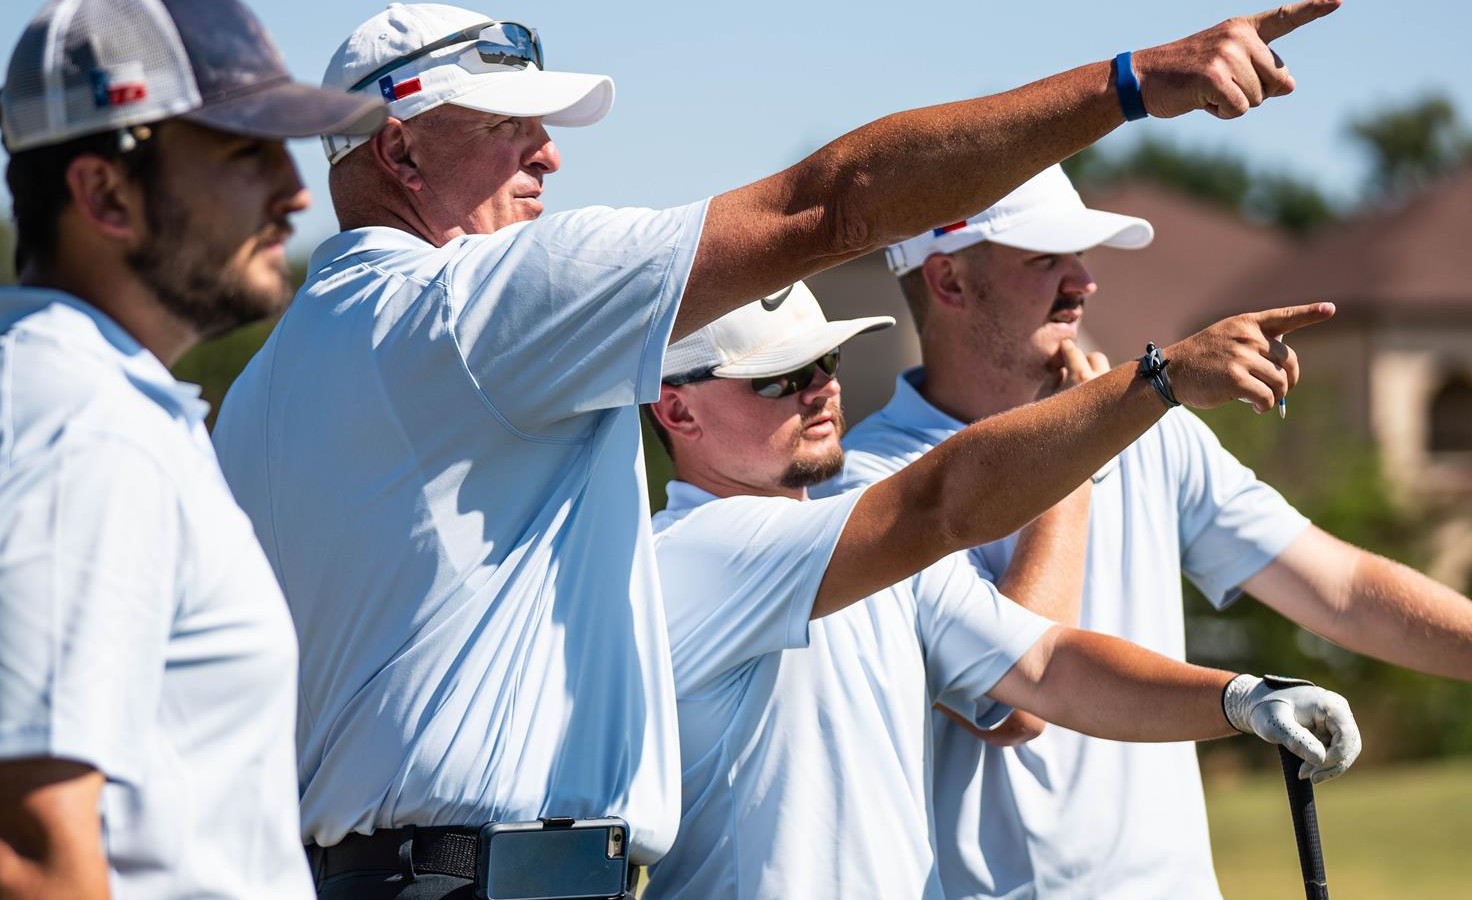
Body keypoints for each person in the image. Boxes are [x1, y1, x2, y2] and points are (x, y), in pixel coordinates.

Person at [209, 2, 1345, 896]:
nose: (548, 159)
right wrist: (1129, 85)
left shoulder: (264, 389)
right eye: (510, 127)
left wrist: (1236, 694)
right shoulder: (470, 309)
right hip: (491, 881)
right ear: (401, 152)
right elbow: (835, 204)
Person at [836, 164, 1472, 899]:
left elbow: (1342, 590)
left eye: (1081, 255)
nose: (1084, 281)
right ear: (948, 282)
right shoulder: (871, 489)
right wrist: (1078, 447)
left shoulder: (1154, 435)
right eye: (1045, 258)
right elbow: (1022, 702)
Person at [0, 1, 385, 896]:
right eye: (244, 149)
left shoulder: (3, 395)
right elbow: (28, 851)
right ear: (104, 193)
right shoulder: (78, 429)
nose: (295, 189)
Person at [642, 282, 1359, 899]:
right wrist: (1155, 382)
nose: (822, 387)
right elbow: (938, 503)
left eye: (826, 360)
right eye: (779, 377)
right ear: (677, 412)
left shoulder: (867, 556)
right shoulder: (693, 555)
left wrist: (1242, 699)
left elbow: (1045, 669)